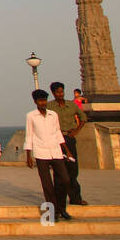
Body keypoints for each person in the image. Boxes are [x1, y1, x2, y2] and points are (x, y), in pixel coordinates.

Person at [25, 89, 74, 221]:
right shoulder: (31, 116)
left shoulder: (53, 114)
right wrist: (28, 155)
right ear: (35, 102)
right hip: (41, 153)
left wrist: (66, 150)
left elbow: (58, 133)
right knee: (47, 185)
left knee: (65, 180)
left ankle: (61, 208)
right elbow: (29, 135)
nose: (43, 103)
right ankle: (53, 212)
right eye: (40, 100)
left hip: (56, 151)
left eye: (44, 100)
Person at [50, 82, 88, 205]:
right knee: (58, 170)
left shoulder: (71, 105)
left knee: (72, 169)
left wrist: (76, 131)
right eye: (57, 92)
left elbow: (83, 118)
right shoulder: (50, 107)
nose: (60, 94)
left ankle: (75, 198)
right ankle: (58, 199)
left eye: (61, 92)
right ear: (53, 93)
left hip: (69, 138)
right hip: (56, 140)